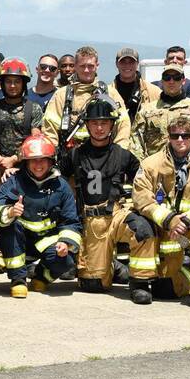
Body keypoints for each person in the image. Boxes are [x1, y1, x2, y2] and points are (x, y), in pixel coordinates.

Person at [127, 116, 190, 310]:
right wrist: (169, 219)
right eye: (175, 136)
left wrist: (187, 221)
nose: (180, 140)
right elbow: (141, 198)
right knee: (140, 227)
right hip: (163, 227)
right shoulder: (150, 164)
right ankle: (140, 284)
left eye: (185, 136)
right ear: (168, 137)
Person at [64, 98, 141, 292]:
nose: (99, 128)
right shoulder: (74, 155)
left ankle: (141, 282)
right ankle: (110, 266)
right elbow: (54, 181)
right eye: (95, 123)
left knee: (143, 230)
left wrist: (134, 208)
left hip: (115, 215)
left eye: (104, 123)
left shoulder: (124, 156)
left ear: (112, 125)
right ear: (87, 125)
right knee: (94, 285)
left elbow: (143, 182)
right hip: (89, 221)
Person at [0, 134, 81, 297]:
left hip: (46, 241)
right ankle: (18, 280)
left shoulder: (62, 186)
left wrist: (65, 243)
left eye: (43, 160)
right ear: (25, 162)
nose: (38, 165)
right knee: (13, 227)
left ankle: (41, 277)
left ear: (51, 161)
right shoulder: (13, 181)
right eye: (33, 160)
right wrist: (10, 212)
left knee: (66, 261)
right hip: (18, 241)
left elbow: (71, 221)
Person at [43, 46, 129, 161]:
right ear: (76, 67)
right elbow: (49, 129)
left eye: (90, 66)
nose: (86, 70)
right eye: (82, 66)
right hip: (71, 160)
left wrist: (118, 155)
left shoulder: (110, 94)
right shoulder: (62, 95)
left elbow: (123, 126)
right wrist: (52, 158)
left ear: (97, 66)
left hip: (105, 158)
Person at [129, 62, 190, 160]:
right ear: (162, 81)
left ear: (183, 80)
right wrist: (142, 165)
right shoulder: (147, 110)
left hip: (189, 167)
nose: (171, 81)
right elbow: (135, 139)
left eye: (176, 77)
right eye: (167, 77)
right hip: (157, 169)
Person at [0, 59, 45, 186]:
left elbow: (35, 140)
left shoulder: (34, 108)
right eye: (8, 81)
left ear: (23, 84)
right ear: (2, 84)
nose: (13, 86)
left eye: (17, 82)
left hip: (27, 169)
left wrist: (13, 160)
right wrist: (2, 162)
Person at [110, 47, 159, 125]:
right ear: (116, 64)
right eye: (123, 62)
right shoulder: (108, 93)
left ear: (137, 64)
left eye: (131, 62)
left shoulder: (154, 92)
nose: (127, 65)